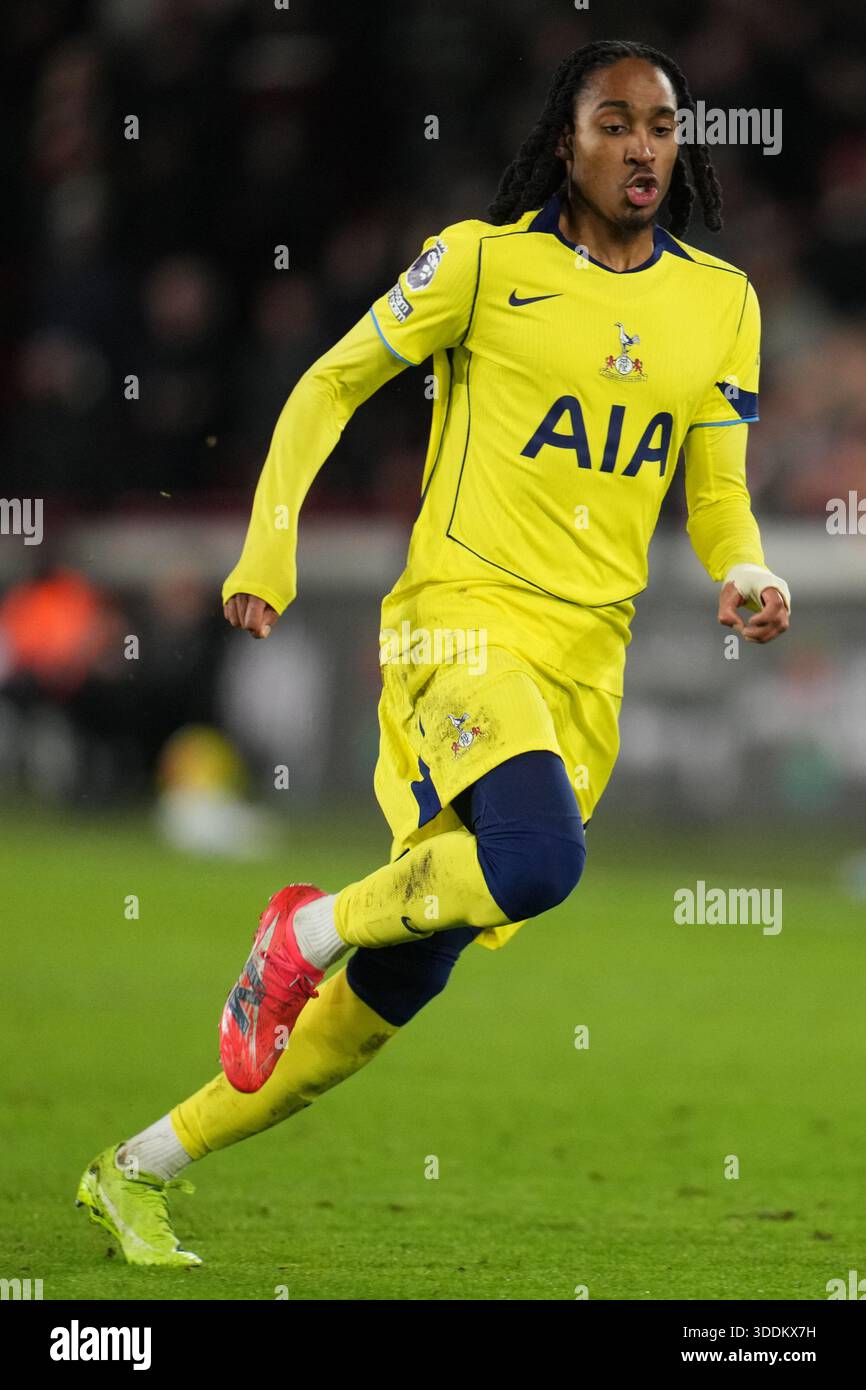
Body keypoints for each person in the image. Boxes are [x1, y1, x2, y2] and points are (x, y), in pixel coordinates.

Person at [76, 38, 790, 1266]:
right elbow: (327, 383)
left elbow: (715, 499)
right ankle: (297, 934)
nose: (640, 147)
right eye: (612, 123)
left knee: (391, 998)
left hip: (583, 663)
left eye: (661, 126)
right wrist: (269, 547)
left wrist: (746, 568)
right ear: (564, 142)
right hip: (460, 618)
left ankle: (137, 1165)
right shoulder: (478, 263)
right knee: (537, 858)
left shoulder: (721, 303)